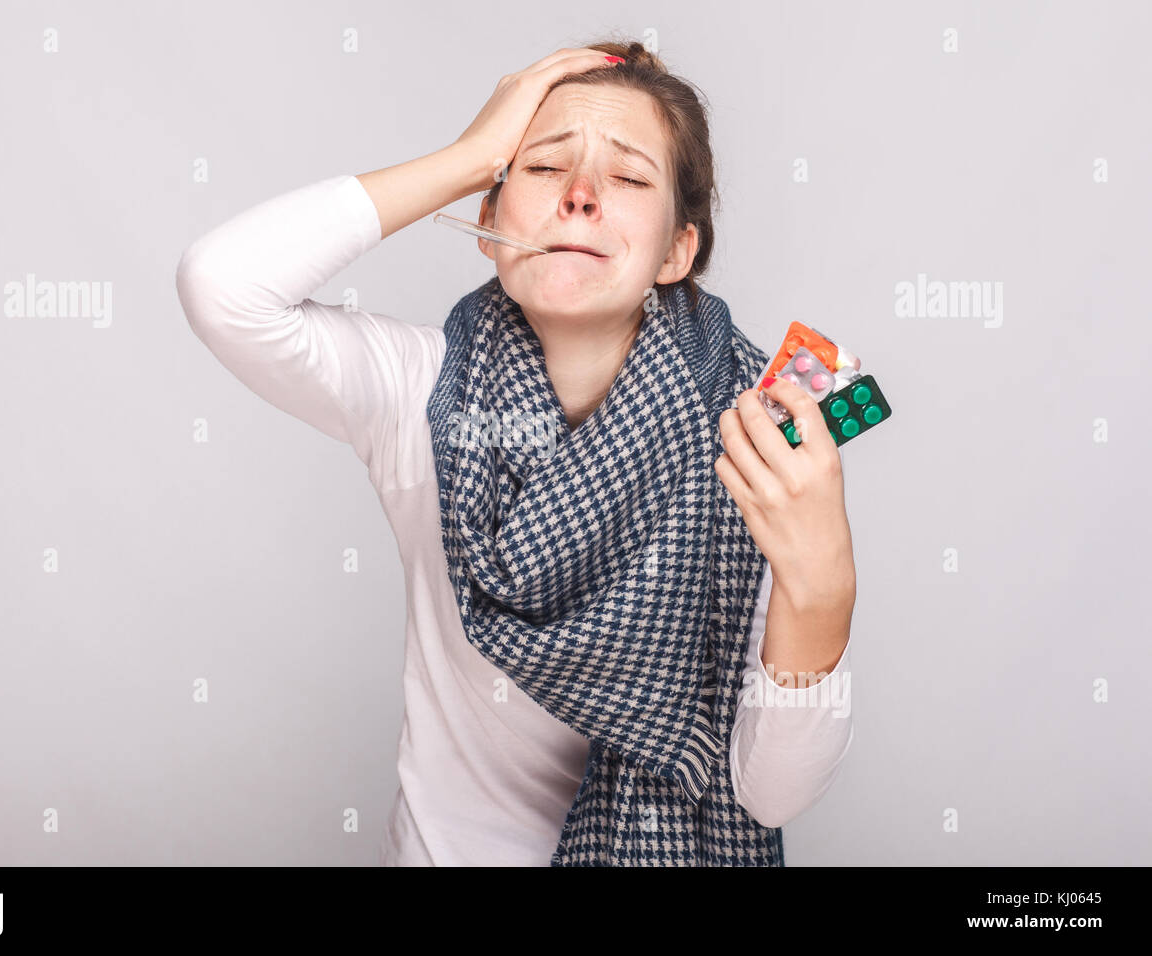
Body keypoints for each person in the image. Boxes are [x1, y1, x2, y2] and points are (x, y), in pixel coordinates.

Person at [176, 40, 855, 866]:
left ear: (677, 252)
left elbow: (771, 795)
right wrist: (468, 158)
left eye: (628, 178)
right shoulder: (422, 393)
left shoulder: (759, 442)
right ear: (489, 222)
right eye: (541, 168)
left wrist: (822, 584)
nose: (580, 194)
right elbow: (221, 285)